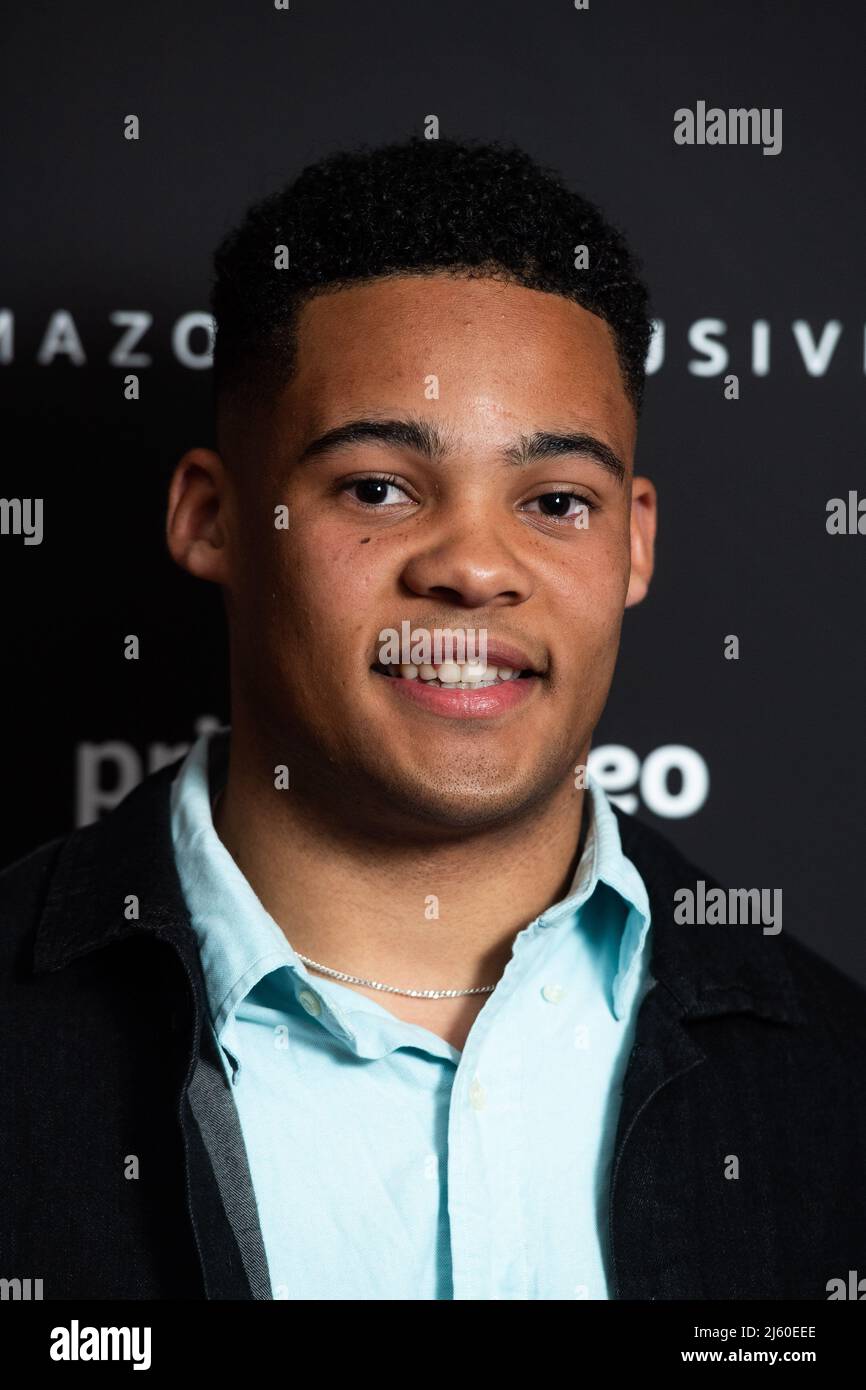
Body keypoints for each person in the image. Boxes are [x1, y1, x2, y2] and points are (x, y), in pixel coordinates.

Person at [2, 136, 865, 1301]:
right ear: (211, 518)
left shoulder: (834, 1073)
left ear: (634, 544)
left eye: (556, 501)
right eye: (376, 487)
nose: (472, 566)